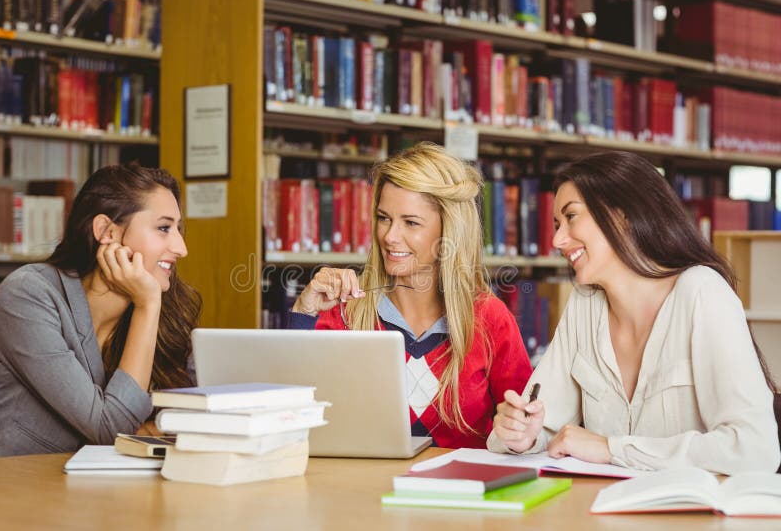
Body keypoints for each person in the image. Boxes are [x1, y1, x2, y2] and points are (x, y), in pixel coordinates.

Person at [487, 151, 780, 474]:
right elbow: (545, 423)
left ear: (622, 216)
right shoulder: (584, 304)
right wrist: (522, 433)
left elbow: (756, 449)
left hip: (692, 506)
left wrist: (610, 449)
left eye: (571, 217)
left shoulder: (702, 292)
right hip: (603, 504)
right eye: (557, 225)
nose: (558, 239)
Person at [288, 142, 533, 448]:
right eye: (384, 218)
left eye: (411, 223)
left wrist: (520, 433)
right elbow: (290, 416)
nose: (390, 236)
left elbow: (526, 429)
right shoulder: (345, 311)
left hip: (460, 480)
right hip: (363, 480)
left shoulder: (489, 318)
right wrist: (304, 313)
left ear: (449, 231)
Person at [0, 165, 202, 457]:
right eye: (164, 228)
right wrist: (147, 305)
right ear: (107, 231)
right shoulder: (27, 295)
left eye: (178, 229)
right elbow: (110, 429)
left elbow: (201, 420)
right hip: (23, 483)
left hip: (117, 485)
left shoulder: (171, 310)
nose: (181, 248)